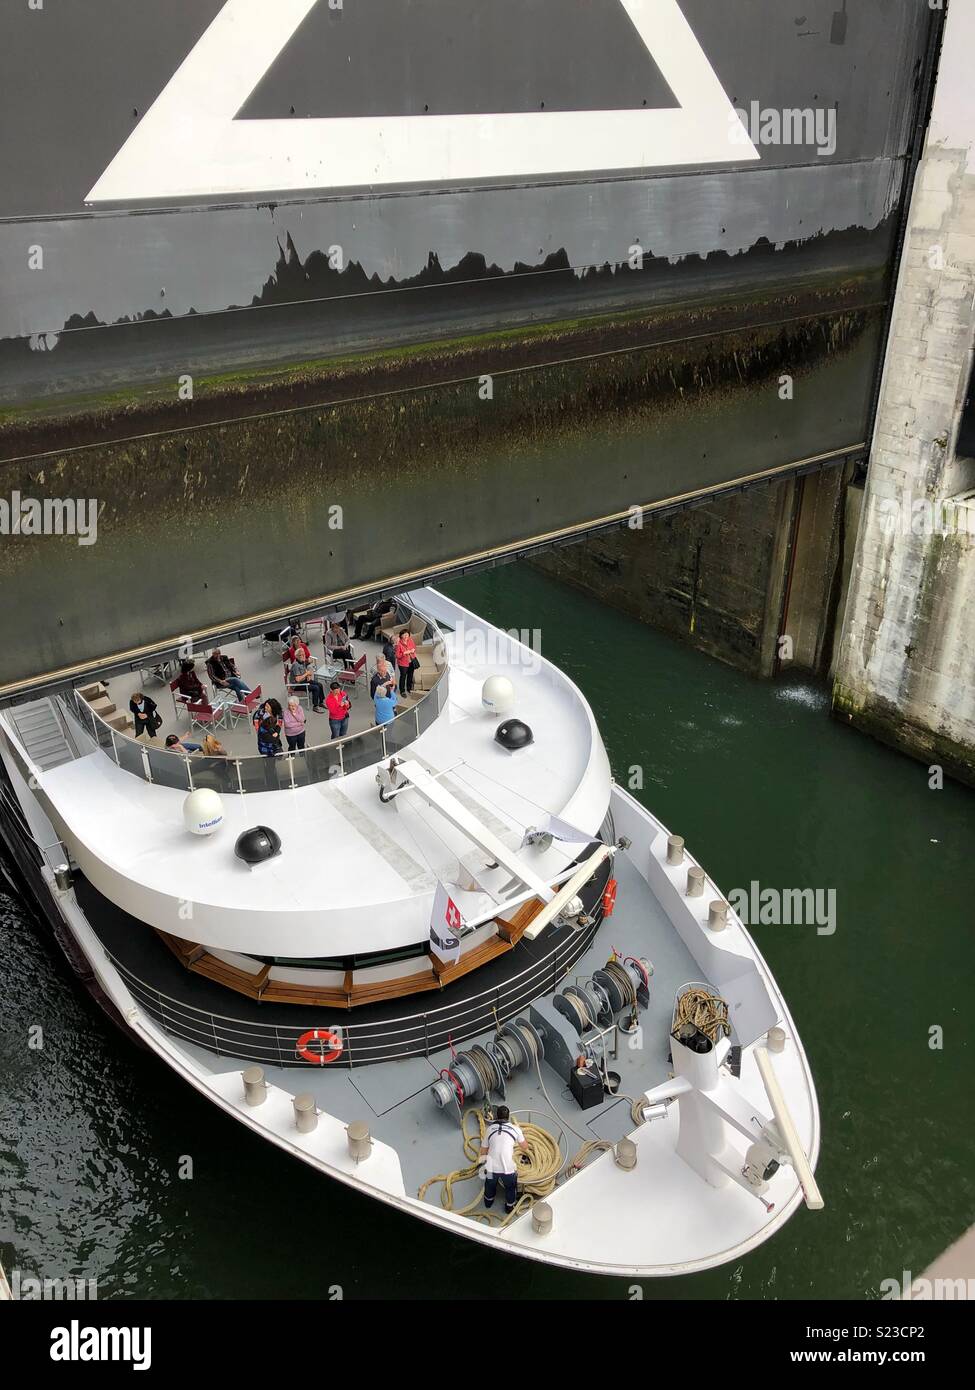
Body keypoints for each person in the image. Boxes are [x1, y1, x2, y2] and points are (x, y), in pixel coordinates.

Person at [479, 1105, 527, 1216]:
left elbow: (483, 1152)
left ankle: (488, 1202)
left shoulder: (489, 1129)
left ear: (496, 1116)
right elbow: (525, 1147)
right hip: (508, 1169)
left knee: (489, 1185)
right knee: (510, 1187)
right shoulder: (516, 1129)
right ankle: (509, 1207)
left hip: (491, 1168)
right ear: (508, 1117)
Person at [395, 627, 417, 696]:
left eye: (407, 635)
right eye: (404, 635)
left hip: (411, 661)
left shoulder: (410, 640)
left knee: (410, 675)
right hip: (403, 664)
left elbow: (414, 647)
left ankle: (409, 688)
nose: (406, 636)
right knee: (403, 677)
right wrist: (404, 653)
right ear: (401, 635)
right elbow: (397, 656)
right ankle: (402, 691)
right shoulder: (399, 644)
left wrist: (413, 650)